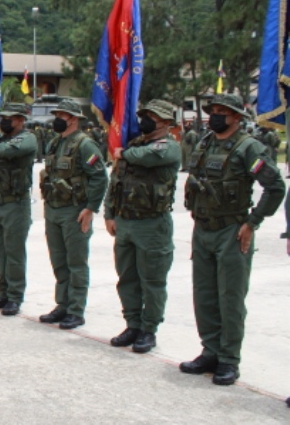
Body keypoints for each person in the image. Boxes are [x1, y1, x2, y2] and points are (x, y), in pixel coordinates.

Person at [180, 93, 285, 386]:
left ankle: (229, 359)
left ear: (237, 117)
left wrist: (253, 222)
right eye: (213, 111)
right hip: (202, 229)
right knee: (204, 295)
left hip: (231, 231)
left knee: (230, 298)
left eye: (222, 112)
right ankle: (210, 351)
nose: (215, 116)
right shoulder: (204, 144)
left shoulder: (248, 148)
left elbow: (275, 187)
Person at [103, 99, 181, 354]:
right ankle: (132, 324)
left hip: (152, 224)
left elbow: (148, 157)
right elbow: (115, 181)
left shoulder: (169, 146)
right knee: (127, 279)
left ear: (166, 122)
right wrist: (110, 213)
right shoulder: (134, 145)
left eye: (152, 117)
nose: (145, 120)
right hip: (125, 222)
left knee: (152, 281)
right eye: (144, 115)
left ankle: (149, 330)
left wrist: (123, 153)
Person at [38, 98, 108, 330]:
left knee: (76, 262)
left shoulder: (85, 144)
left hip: (74, 211)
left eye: (63, 115)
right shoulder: (55, 143)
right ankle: (62, 304)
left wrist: (90, 208)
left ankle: (76, 310)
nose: (58, 119)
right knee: (59, 261)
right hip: (54, 209)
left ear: (75, 119)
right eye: (57, 114)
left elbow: (99, 178)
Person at [0, 102, 37, 316]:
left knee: (14, 253)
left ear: (21, 120)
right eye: (2, 117)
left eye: (9, 118)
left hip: (15, 204)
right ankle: (2, 291)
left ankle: (15, 296)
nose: (4, 122)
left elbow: (13, 150)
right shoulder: (0, 141)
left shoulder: (27, 138)